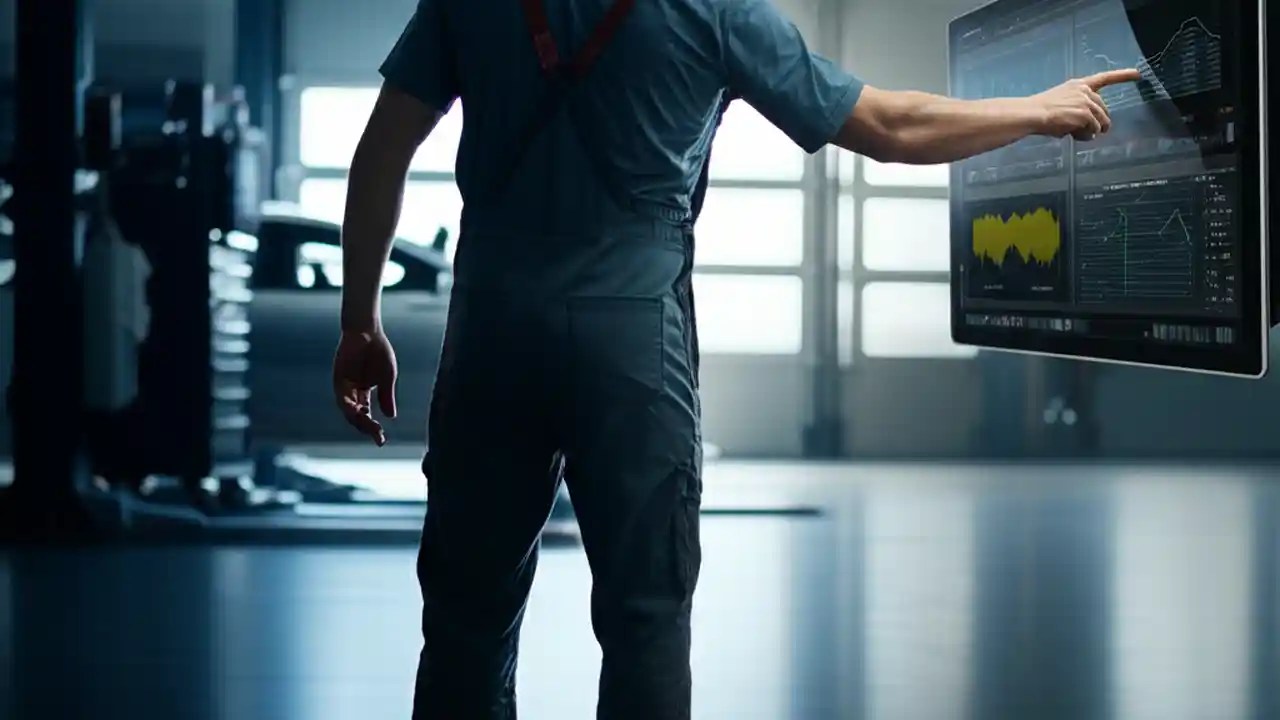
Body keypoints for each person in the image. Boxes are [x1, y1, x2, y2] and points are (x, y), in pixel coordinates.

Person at [330, 0, 1140, 714]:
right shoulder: (718, 11)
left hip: (492, 336)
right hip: (632, 350)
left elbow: (379, 154)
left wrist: (360, 321)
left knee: (465, 624)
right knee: (645, 623)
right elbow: (891, 128)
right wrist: (1036, 110)